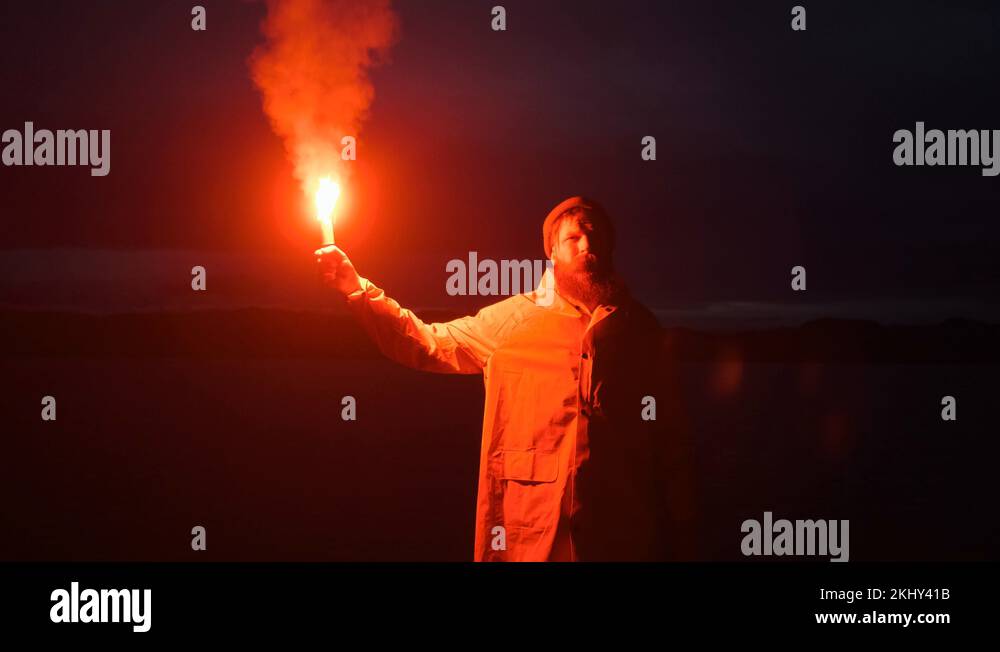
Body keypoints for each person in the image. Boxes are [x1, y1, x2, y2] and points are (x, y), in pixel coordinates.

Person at [315, 196, 691, 561]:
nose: (586, 246)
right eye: (572, 238)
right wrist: (356, 289)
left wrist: (682, 532)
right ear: (552, 252)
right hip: (529, 538)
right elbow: (427, 343)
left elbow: (671, 442)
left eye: (595, 236)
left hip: (622, 540)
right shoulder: (512, 322)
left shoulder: (641, 332)